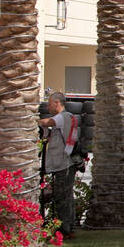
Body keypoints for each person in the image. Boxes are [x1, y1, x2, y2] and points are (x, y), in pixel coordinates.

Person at [38, 92, 77, 238]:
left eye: (49, 103)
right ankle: (68, 227)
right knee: (66, 196)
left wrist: (33, 121)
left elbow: (47, 122)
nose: (48, 106)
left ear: (57, 103)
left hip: (64, 164)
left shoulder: (63, 117)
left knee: (63, 198)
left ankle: (65, 229)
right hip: (62, 164)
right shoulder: (66, 117)